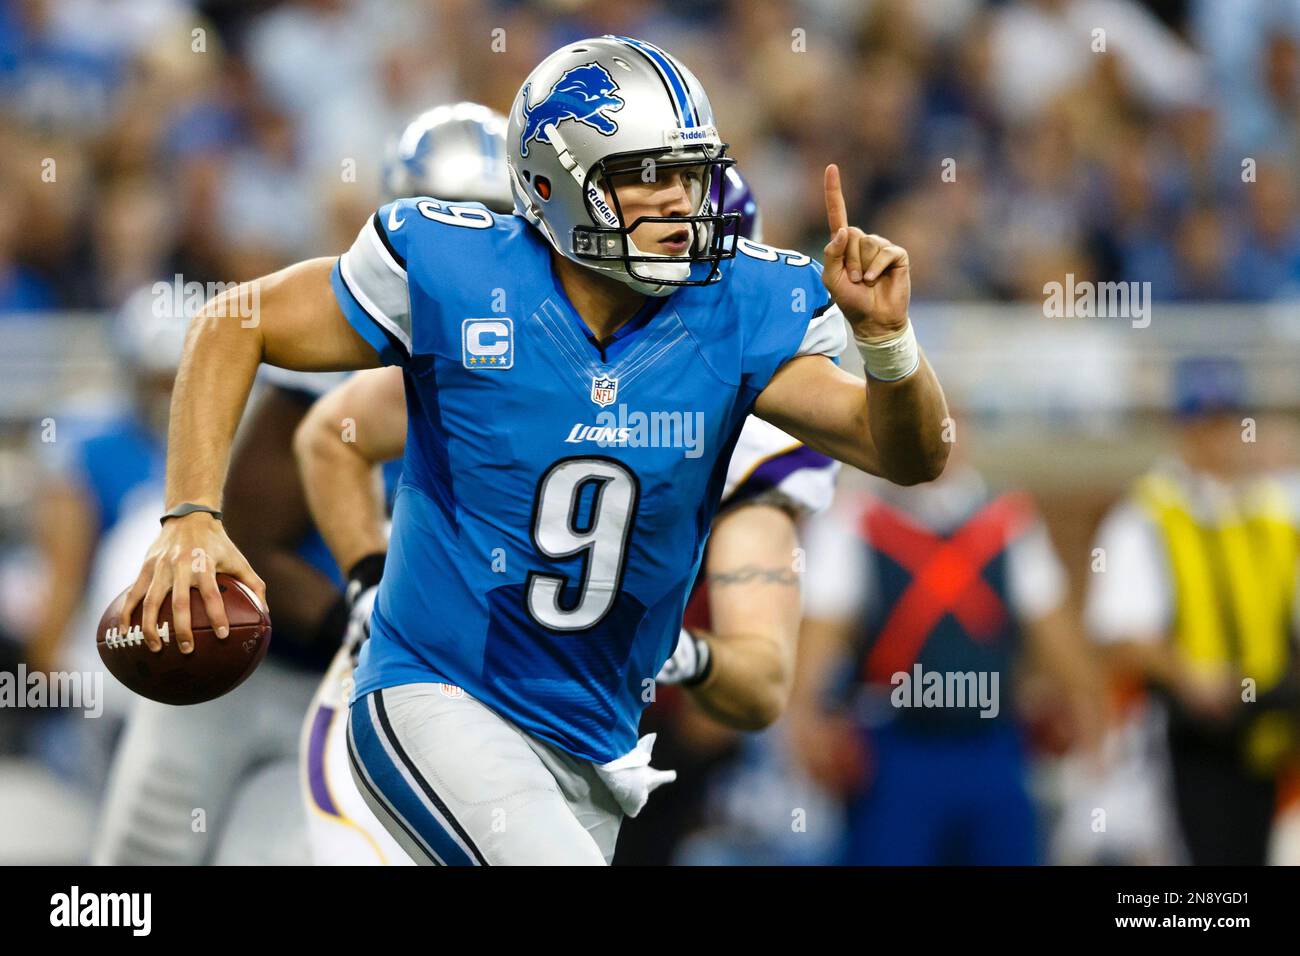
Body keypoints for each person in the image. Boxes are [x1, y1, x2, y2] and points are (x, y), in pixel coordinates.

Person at [119, 35, 949, 865]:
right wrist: (192, 513)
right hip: (438, 692)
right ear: (555, 186)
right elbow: (235, 323)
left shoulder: (736, 309)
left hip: (592, 735)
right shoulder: (458, 272)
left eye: (688, 174)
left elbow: (908, 454)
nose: (677, 203)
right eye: (644, 175)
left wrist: (889, 346)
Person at [294, 168, 841, 864]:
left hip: (603, 744)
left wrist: (677, 652)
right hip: (436, 690)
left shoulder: (761, 435)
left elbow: (761, 684)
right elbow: (331, 438)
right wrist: (368, 580)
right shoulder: (520, 341)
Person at [91, 103, 513, 866]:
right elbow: (249, 539)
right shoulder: (347, 344)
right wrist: (357, 617)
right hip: (244, 668)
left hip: (362, 697)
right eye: (456, 221)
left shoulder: (537, 370)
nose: (475, 248)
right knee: (137, 870)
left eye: (495, 221)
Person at [791, 427, 1103, 864]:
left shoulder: (1007, 520)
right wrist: (805, 716)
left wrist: (1088, 705)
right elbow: (825, 626)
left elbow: (1053, 628)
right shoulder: (855, 519)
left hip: (992, 741)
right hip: (896, 746)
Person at [1085, 357, 1300, 865]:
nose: (1218, 437)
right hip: (1186, 733)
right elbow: (1119, 633)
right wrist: (1188, 675)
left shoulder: (1276, 511)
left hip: (1275, 727)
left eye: (1226, 420)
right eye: (1204, 422)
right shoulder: (1146, 515)